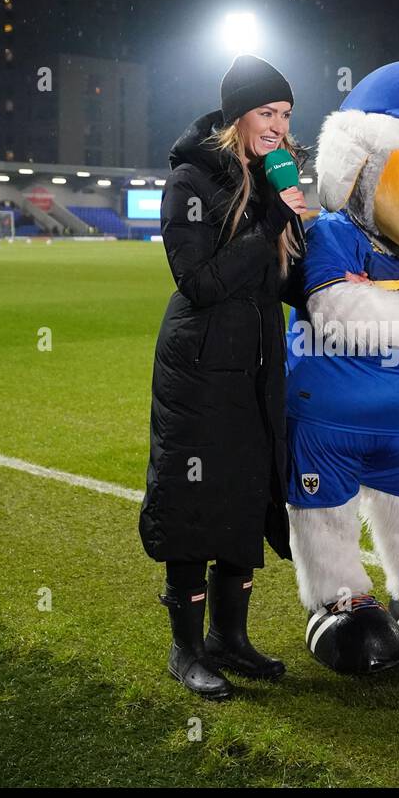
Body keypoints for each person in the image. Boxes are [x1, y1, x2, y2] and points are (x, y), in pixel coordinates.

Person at [139, 54, 308, 700]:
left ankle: (228, 640)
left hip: (256, 368)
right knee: (195, 503)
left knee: (244, 497)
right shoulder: (188, 180)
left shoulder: (270, 179)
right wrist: (270, 224)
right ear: (237, 116)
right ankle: (186, 651)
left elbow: (282, 282)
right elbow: (201, 282)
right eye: (267, 112)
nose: (278, 125)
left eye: (286, 113)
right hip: (200, 370)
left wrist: (327, 267)